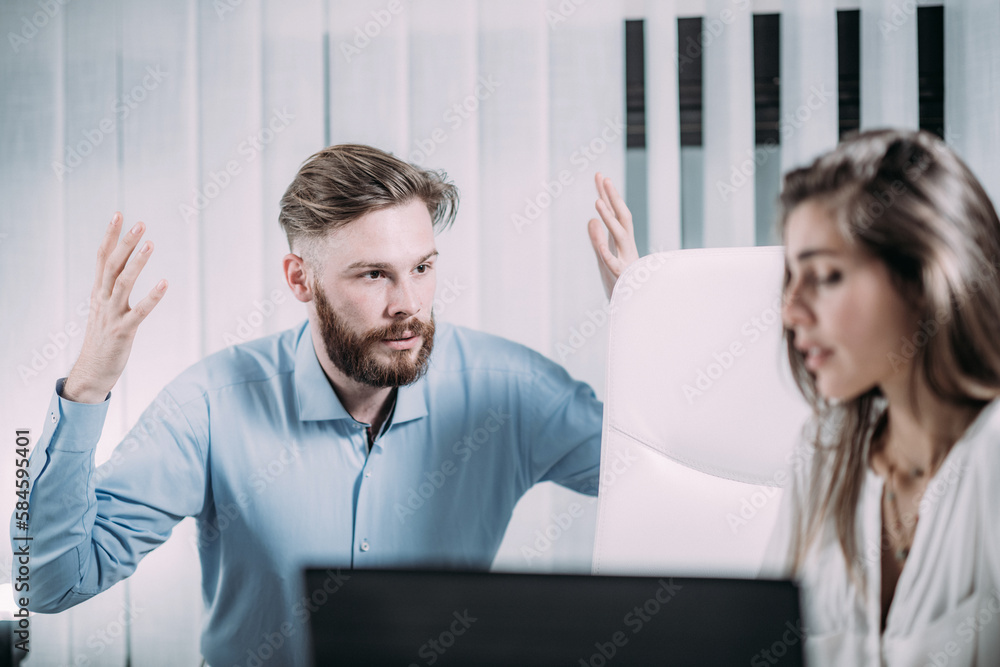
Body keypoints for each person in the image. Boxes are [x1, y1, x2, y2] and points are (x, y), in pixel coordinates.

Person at [14, 144, 638, 666]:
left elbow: (657, 481)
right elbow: (49, 581)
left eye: (422, 267)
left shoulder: (510, 391)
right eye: (373, 275)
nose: (409, 304)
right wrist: (88, 385)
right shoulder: (208, 406)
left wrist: (646, 333)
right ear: (300, 279)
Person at [762, 129, 1000, 666]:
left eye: (825, 275)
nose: (791, 311)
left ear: (921, 276)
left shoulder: (992, 457)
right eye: (791, 278)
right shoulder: (823, 451)